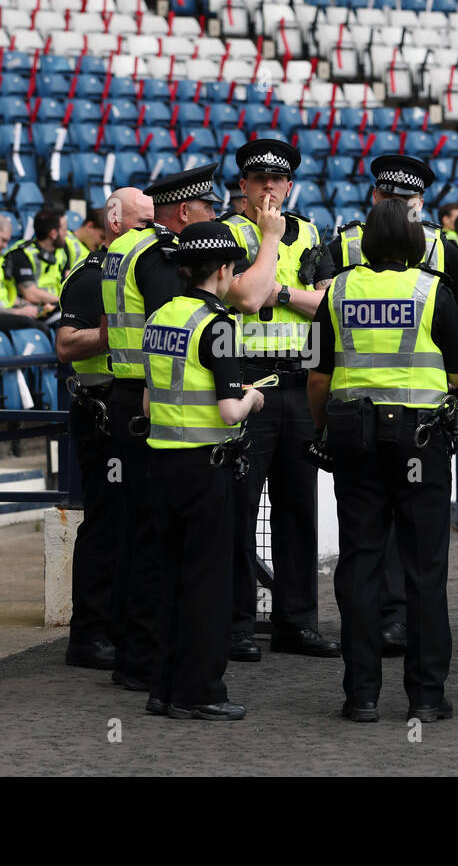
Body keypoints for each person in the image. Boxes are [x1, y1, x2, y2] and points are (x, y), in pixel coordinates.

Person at [308, 198, 458, 722]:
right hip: (419, 444)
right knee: (425, 568)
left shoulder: (335, 291)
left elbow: (317, 376)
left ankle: (361, 696)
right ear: (416, 241)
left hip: (354, 442)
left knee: (360, 565)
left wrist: (320, 430)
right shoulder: (433, 291)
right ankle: (426, 697)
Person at [328, 154, 458, 656]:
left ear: (422, 205)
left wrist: (450, 357)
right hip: (384, 415)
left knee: (379, 539)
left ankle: (372, 666)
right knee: (395, 540)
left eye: (409, 203)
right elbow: (318, 304)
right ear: (375, 199)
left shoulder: (443, 247)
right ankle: (414, 670)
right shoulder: (343, 244)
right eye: (392, 200)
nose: (400, 210)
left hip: (403, 411)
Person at [221, 139, 340, 662]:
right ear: (243, 185)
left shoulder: (312, 232)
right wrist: (266, 277)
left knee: (299, 510)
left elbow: (330, 305)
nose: (269, 186)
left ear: (290, 185)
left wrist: (284, 294)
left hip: (301, 384)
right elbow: (243, 296)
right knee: (239, 510)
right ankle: (237, 624)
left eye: (278, 179)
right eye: (257, 179)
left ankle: (298, 623)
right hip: (249, 386)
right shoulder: (227, 233)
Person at [142, 221, 265, 721]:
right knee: (207, 584)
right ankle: (199, 692)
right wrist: (256, 396)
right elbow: (229, 412)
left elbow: (150, 403)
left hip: (162, 462)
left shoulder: (160, 317)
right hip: (205, 467)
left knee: (168, 579)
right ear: (224, 270)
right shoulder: (218, 326)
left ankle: (164, 687)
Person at [102, 166, 214, 692]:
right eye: (208, 209)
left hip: (123, 394)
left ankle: (134, 653)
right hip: (152, 403)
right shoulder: (161, 254)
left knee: (136, 533)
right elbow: (172, 332)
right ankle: (148, 658)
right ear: (185, 214)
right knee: (156, 540)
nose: (215, 218)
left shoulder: (126, 247)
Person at [56, 186, 153, 671]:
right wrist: (108, 333)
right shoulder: (91, 275)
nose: (149, 234)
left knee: (131, 522)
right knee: (107, 523)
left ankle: (116, 627)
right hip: (99, 412)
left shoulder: (141, 269)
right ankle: (89, 635)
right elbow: (67, 345)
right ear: (115, 222)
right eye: (141, 224)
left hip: (129, 412)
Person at [0, 212, 53, 335]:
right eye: (3, 240)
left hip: (5, 311)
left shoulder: (0, 260)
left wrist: (38, 309)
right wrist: (19, 312)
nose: (5, 246)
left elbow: (10, 298)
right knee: (33, 326)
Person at [3, 207, 66, 314]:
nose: (67, 234)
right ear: (53, 234)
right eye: (64, 230)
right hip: (30, 310)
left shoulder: (61, 253)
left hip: (53, 306)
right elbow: (30, 293)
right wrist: (63, 301)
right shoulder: (22, 254)